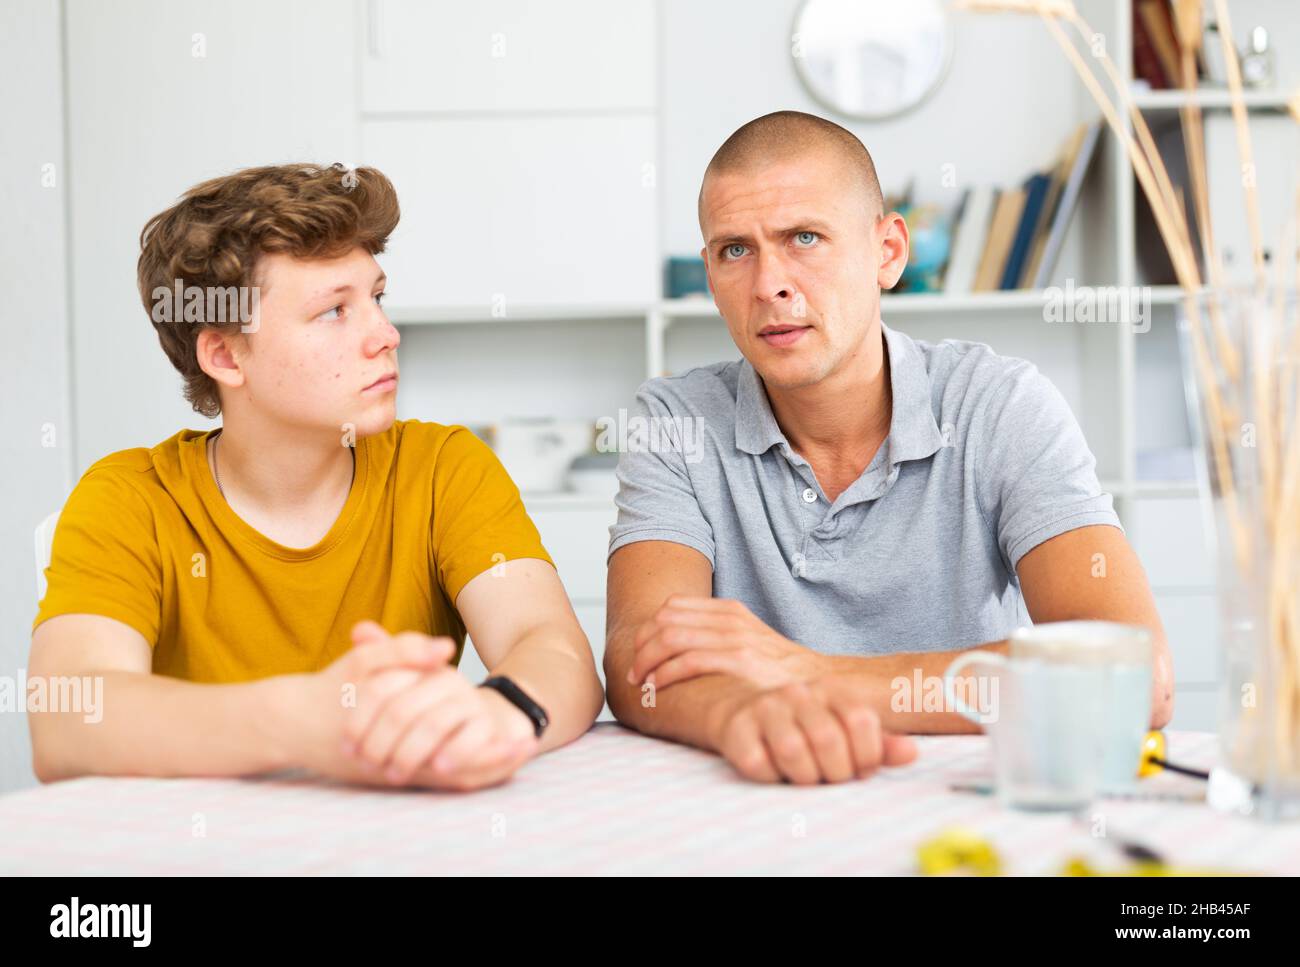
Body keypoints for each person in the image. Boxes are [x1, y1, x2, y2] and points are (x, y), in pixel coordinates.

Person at [603, 111, 1172, 785]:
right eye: (735, 250)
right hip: (759, 792)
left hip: (961, 800)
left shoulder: (999, 405)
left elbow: (1136, 676)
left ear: (889, 251)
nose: (767, 285)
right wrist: (744, 715)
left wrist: (809, 673)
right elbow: (638, 665)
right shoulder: (675, 419)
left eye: (804, 237)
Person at [30, 163, 604, 790]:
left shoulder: (443, 467)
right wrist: (308, 720)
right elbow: (68, 721)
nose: (385, 335)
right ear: (225, 355)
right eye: (334, 312)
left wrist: (496, 715)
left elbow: (553, 650)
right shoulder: (130, 496)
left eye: (376, 298)